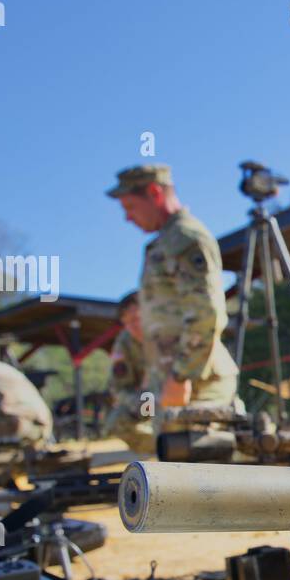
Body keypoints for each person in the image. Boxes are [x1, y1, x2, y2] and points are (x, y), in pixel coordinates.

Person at [107, 164, 240, 428]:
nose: (127, 218)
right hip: (174, 382)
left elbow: (206, 312)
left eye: (130, 207)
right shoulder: (164, 242)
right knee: (174, 462)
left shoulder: (183, 239)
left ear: (155, 193)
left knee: (201, 464)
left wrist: (181, 376)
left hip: (196, 383)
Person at [102, 291, 156, 453]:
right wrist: (138, 403)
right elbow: (118, 387)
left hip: (184, 391)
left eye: (136, 319)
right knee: (117, 421)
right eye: (126, 323)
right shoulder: (124, 343)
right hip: (150, 398)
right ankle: (162, 450)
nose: (132, 328)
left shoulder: (170, 328)